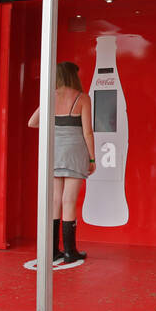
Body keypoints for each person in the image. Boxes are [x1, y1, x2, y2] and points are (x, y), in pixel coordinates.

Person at [29, 61, 96, 269]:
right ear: (73, 76)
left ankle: (51, 251)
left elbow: (32, 122)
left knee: (55, 200)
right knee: (69, 201)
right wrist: (92, 159)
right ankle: (70, 251)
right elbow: (87, 132)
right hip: (75, 153)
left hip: (54, 152)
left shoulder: (50, 96)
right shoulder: (82, 98)